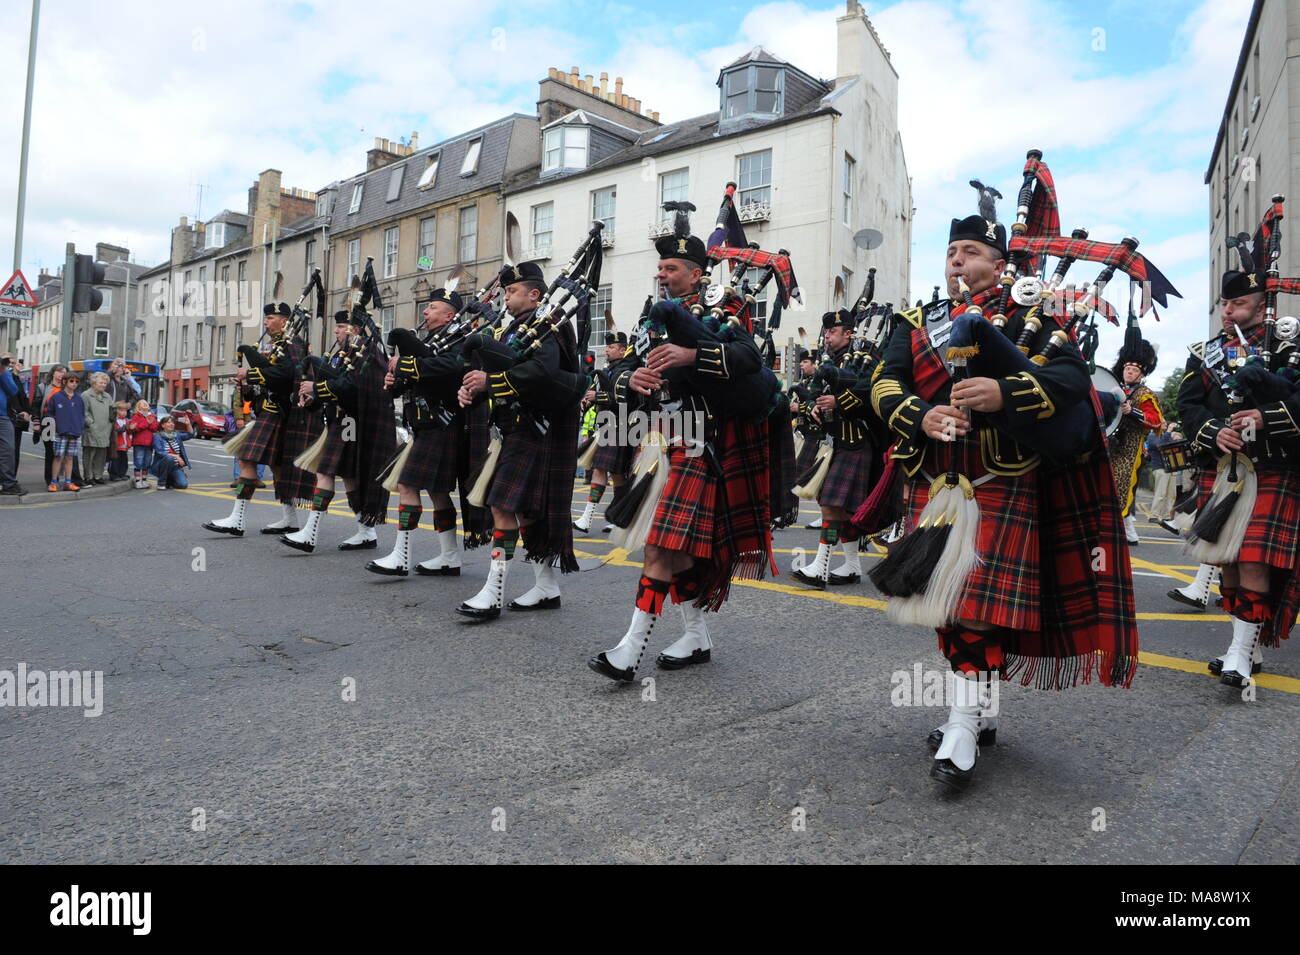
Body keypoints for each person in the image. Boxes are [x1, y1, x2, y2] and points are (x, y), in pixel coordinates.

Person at [868, 204, 1137, 790]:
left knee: (971, 609)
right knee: (945, 607)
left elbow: (1072, 382)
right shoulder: (918, 320)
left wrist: (1005, 391)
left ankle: (962, 726)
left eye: (970, 253)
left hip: (1001, 483)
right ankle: (980, 714)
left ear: (999, 262)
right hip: (935, 484)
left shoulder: (1034, 315)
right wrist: (922, 414)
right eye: (950, 252)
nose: (957, 262)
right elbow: (884, 383)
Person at [588, 216, 778, 681]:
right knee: (683, 552)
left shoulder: (727, 305)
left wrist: (693, 355)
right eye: (660, 267)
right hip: (661, 441)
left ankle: (629, 650)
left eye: (671, 268)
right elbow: (625, 366)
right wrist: (628, 377)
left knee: (660, 547)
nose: (662, 274)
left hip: (704, 442)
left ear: (696, 273)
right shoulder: (652, 314)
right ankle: (695, 635)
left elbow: (750, 359)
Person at [1175, 265, 1299, 687]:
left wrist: (1267, 417)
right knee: (1226, 561)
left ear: (1261, 305)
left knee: (1253, 559)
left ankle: (1240, 654)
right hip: (1226, 468)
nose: (1228, 311)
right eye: (1224, 303)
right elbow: (1188, 405)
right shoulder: (1206, 352)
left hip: (1273, 466)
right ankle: (1245, 645)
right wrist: (1213, 431)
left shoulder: (1289, 344)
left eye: (1238, 303)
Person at [455, 261, 584, 619]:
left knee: (501, 506)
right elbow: (502, 373)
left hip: (536, 428)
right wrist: (472, 393)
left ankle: (493, 592)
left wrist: (489, 383)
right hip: (513, 429)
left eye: (511, 292)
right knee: (525, 511)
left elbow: (540, 373)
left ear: (534, 294)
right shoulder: (514, 329)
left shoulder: (550, 326)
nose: (505, 297)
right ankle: (546, 586)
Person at [370, 288, 491, 575]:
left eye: (432, 307)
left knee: (407, 485)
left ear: (450, 315)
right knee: (437, 492)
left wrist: (409, 364)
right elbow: (419, 379)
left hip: (444, 424)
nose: (425, 312)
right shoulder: (432, 341)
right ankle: (449, 556)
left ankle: (402, 556)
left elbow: (450, 368)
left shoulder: (460, 340)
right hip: (424, 426)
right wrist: (396, 380)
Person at [202, 302, 323, 537]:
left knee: (247, 458)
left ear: (284, 321)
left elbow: (289, 375)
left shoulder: (293, 343)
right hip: (271, 411)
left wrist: (252, 374)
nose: (265, 322)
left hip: (281, 413)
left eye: (270, 318)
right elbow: (270, 379)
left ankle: (237, 520)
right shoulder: (276, 345)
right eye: (265, 318)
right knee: (277, 467)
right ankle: (290, 520)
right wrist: (249, 386)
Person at [282, 307, 396, 554]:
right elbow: (334, 385)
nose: (336, 331)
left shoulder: (367, 352)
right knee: (348, 475)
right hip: (342, 421)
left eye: (341, 327)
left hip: (354, 422)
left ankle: (310, 534)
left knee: (327, 471)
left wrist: (318, 389)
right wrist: (313, 397)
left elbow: (353, 387)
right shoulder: (345, 353)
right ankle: (366, 531)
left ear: (354, 329)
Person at [790, 310, 883, 587]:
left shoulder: (868, 356)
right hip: (833, 442)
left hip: (857, 440)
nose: (827, 336)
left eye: (833, 331)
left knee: (832, 506)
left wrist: (840, 403)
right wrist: (812, 406)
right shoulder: (830, 360)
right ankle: (852, 565)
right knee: (837, 509)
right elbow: (815, 394)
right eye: (826, 331)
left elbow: (874, 392)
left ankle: (821, 565)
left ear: (848, 333)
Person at [1107, 324, 1164, 545]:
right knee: (1110, 483)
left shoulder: (1145, 394)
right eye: (1127, 369)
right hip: (1112, 444)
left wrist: (1133, 412)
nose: (1129, 372)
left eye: (1134, 370)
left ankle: (1128, 527)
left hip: (1132, 447)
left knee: (1124, 484)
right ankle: (1119, 525)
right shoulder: (1114, 388)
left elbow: (1156, 421)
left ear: (1141, 373)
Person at [574, 331, 636, 533]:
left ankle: (587, 518)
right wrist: (588, 400)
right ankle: (618, 520)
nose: (606, 350)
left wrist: (597, 396)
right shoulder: (609, 370)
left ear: (622, 349)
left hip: (620, 427)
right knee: (618, 476)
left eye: (611, 347)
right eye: (607, 347)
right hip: (608, 427)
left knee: (601, 469)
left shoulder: (628, 370)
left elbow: (623, 399)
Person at [47, 373, 86, 492]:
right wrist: (55, 427)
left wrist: (79, 427)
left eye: (76, 381)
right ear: (64, 382)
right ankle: (53, 482)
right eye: (71, 381)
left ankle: (68, 482)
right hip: (60, 432)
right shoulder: (56, 396)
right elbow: (50, 413)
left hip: (74, 432)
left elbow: (82, 415)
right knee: (58, 456)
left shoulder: (79, 398)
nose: (74, 383)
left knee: (69, 457)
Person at [80, 371, 114, 486]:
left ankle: (98, 475)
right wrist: (91, 424)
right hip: (91, 430)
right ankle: (88, 477)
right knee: (89, 455)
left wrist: (111, 422)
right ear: (94, 383)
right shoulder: (86, 395)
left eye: (105, 383)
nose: (104, 385)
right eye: (101, 382)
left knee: (101, 455)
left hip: (105, 429)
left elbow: (111, 411)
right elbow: (84, 412)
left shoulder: (107, 396)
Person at [0, 355, 25, 495]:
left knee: (8, 450)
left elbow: (13, 390)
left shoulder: (4, 373)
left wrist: (2, 371)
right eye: (6, 362)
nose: (9, 364)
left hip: (2, 416)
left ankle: (8, 484)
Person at [150, 416, 194, 489]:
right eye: (168, 422)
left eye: (172, 422)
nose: (171, 424)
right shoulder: (158, 436)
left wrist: (188, 424)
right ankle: (161, 483)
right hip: (161, 466)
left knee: (182, 485)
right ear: (163, 425)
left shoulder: (176, 435)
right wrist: (176, 456)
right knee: (169, 457)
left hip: (175, 467)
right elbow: (160, 452)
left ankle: (170, 480)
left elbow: (190, 435)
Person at [127, 398, 158, 488]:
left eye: (146, 403)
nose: (145, 404)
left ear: (149, 407)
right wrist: (147, 423)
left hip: (149, 444)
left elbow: (154, 428)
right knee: (138, 462)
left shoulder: (152, 416)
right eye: (142, 403)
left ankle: (144, 480)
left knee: (147, 463)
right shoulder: (136, 416)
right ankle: (137, 481)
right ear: (138, 407)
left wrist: (148, 423)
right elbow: (135, 428)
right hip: (139, 443)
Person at [108, 401, 131, 482]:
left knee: (124, 461)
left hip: (124, 444)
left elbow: (129, 432)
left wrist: (131, 428)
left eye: (125, 411)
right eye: (121, 410)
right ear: (116, 411)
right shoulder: (115, 420)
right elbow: (117, 430)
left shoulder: (126, 420)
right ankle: (114, 475)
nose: (124, 412)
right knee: (115, 461)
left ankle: (122, 473)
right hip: (116, 445)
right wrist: (126, 427)